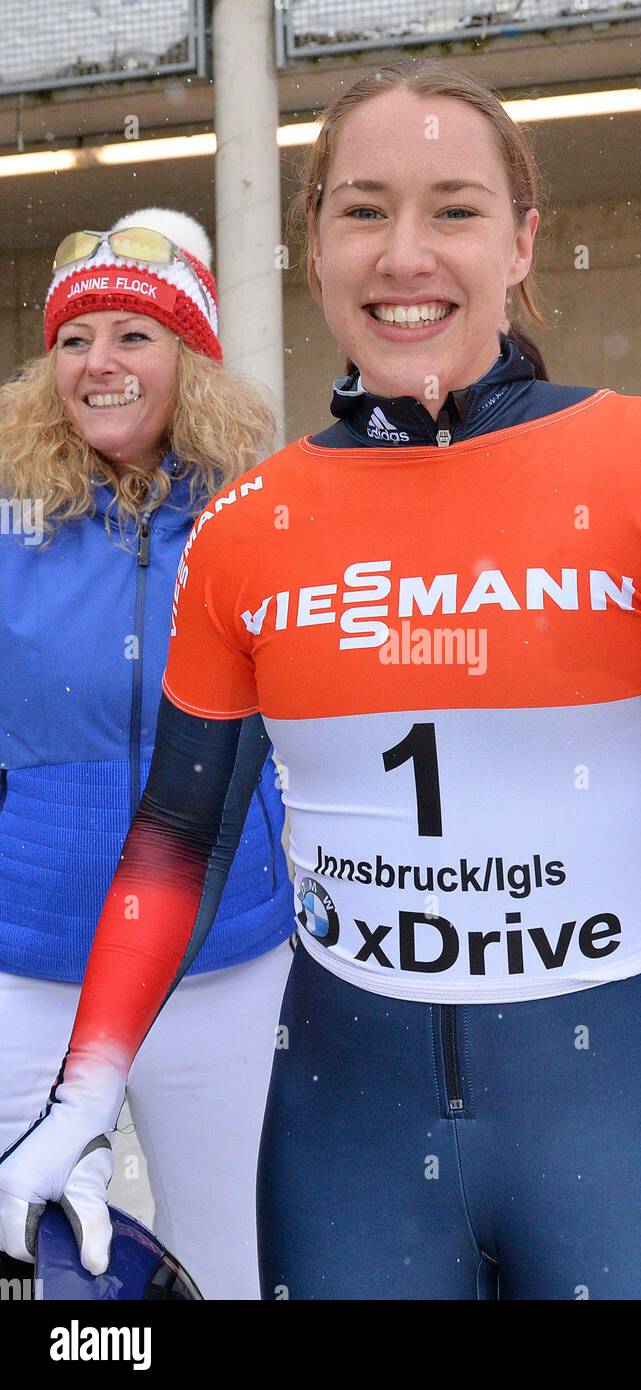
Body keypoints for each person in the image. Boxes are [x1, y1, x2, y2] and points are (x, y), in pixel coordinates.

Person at [0, 61, 641, 1300]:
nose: (404, 253)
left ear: (521, 243)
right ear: (312, 251)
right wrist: (84, 1091)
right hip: (347, 1132)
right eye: (362, 210)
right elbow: (176, 837)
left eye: (451, 209)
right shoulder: (249, 527)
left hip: (615, 1117)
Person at [0, 209, 294, 1299]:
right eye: (75, 340)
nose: (100, 363)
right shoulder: (6, 518)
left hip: (221, 951)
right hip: (30, 948)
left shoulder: (256, 521)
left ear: (191, 361)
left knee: (232, 1251)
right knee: (25, 1250)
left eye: (135, 334)